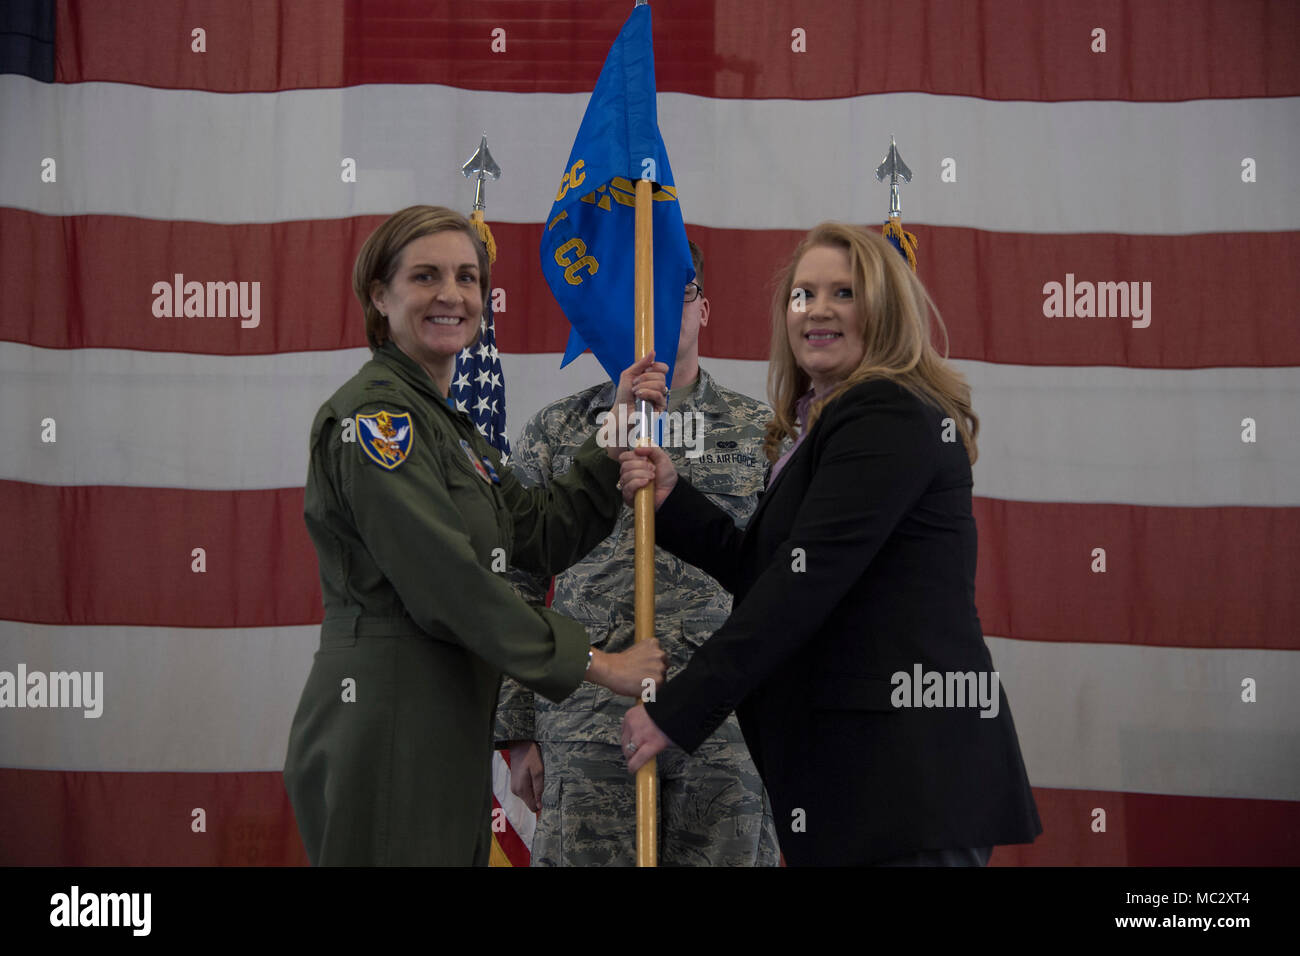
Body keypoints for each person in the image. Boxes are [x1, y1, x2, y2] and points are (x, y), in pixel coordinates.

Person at [618, 222, 1042, 866]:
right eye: (802, 294)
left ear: (885, 310)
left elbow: (801, 586)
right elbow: (773, 569)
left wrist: (679, 711)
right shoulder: (821, 422)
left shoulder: (885, 411)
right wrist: (676, 500)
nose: (817, 309)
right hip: (857, 786)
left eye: (843, 293)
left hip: (901, 784)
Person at [283, 205, 667, 866]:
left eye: (467, 278)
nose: (452, 294)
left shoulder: (447, 428)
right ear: (380, 294)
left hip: (443, 722)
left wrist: (615, 428)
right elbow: (447, 581)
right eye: (426, 276)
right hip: (391, 721)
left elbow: (539, 531)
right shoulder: (380, 419)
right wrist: (600, 666)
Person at [495, 241, 780, 866]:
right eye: (636, 298)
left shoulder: (764, 431)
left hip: (724, 728)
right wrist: (517, 730)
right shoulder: (558, 428)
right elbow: (513, 578)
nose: (652, 313)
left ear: (702, 308)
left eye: (673, 293)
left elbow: (785, 583)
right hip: (585, 721)